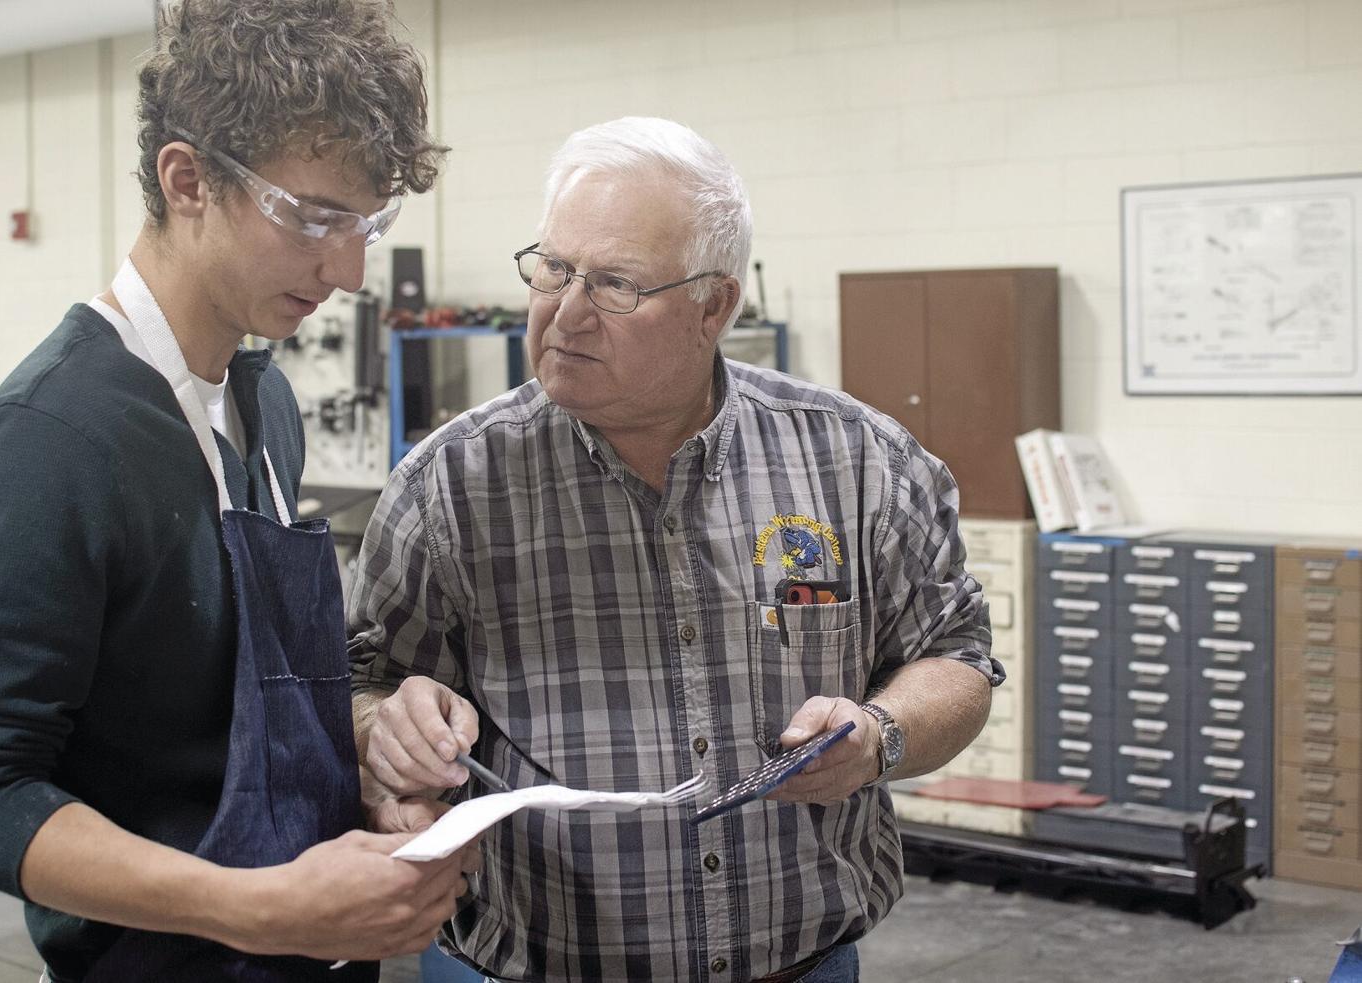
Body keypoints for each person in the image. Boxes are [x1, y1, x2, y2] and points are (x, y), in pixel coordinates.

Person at [348, 116, 1004, 983]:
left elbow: (956, 656)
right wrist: (385, 731)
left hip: (800, 967)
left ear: (714, 306)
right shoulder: (451, 485)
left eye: (616, 284)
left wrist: (880, 733)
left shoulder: (857, 462)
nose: (565, 312)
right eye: (553, 268)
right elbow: (365, 679)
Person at [0, 2, 470, 980]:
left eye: (368, 224)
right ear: (187, 178)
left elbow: (227, 707)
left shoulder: (264, 401)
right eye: (315, 219)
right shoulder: (48, 443)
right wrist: (252, 907)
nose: (348, 269)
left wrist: (379, 735)